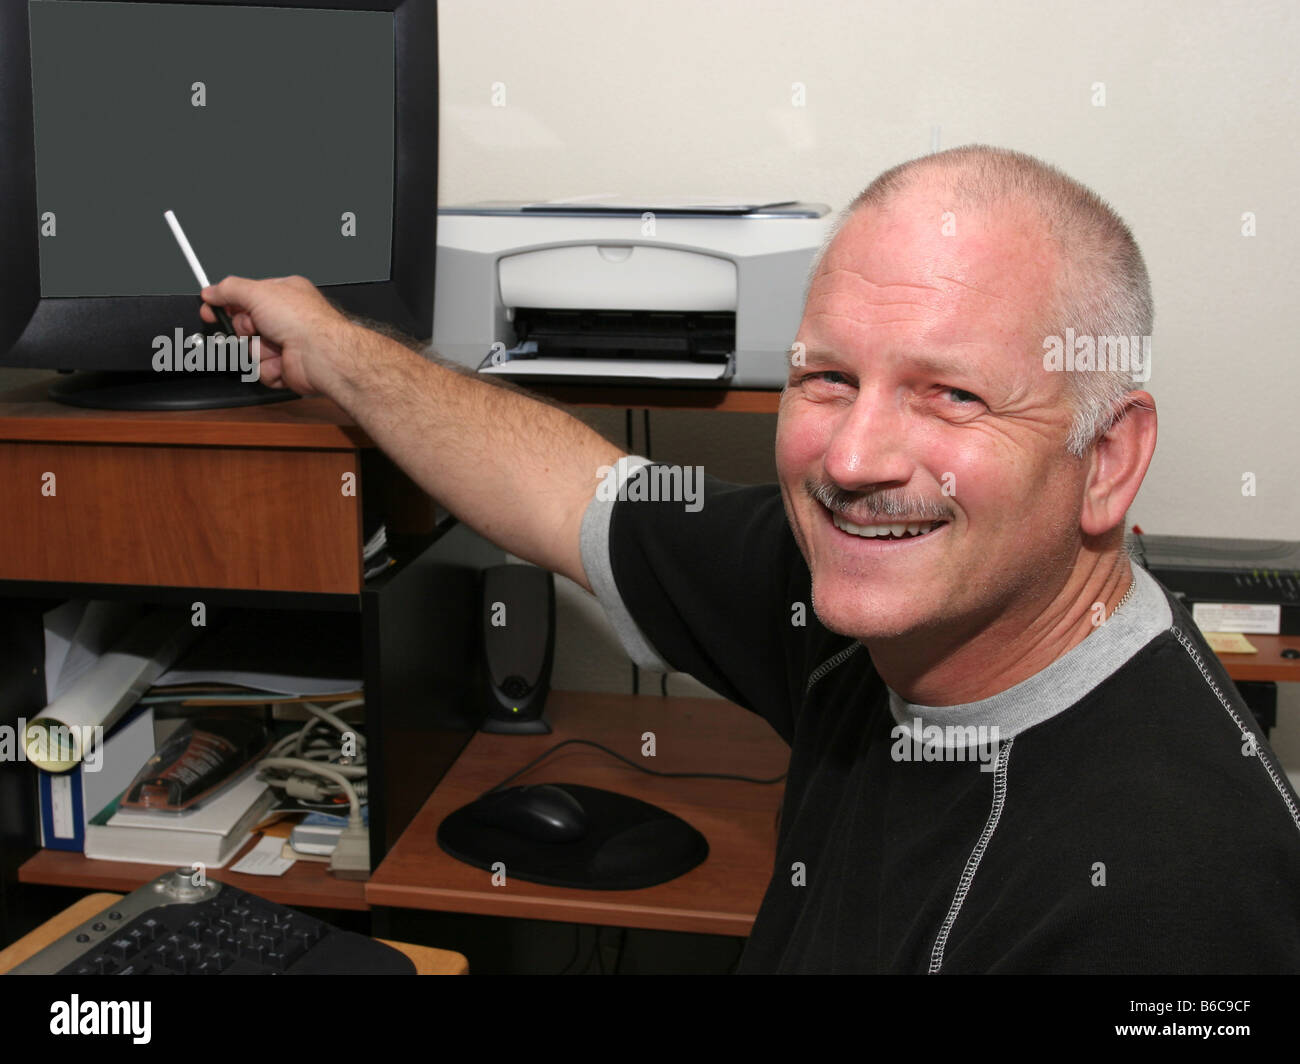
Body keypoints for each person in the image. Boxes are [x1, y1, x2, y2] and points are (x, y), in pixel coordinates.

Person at [201, 145, 1300, 973]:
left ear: (1105, 458)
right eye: (825, 378)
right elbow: (567, 489)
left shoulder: (1176, 898)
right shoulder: (858, 589)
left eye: (952, 394)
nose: (853, 458)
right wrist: (333, 344)